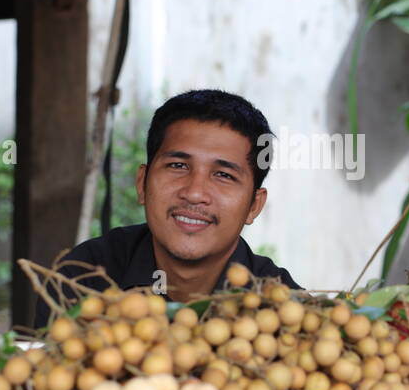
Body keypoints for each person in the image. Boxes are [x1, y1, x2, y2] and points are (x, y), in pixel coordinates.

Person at [32, 89, 300, 329]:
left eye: (223, 175)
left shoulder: (286, 309)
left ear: (254, 205)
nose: (195, 193)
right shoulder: (83, 280)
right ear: (142, 184)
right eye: (178, 166)